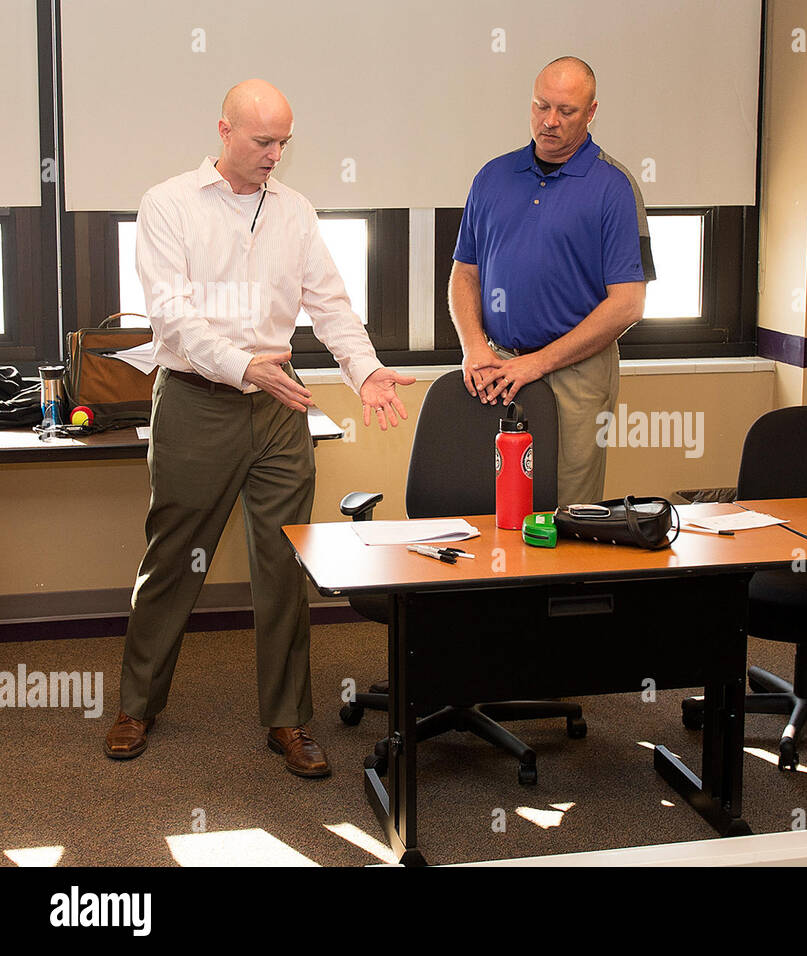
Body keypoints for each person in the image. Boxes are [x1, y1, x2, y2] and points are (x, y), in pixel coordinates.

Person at [103, 79, 415, 778]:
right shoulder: (168, 206)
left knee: (283, 565)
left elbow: (330, 304)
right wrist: (245, 366)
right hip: (195, 402)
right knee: (173, 559)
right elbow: (174, 318)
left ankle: (288, 719)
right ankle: (137, 703)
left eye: (284, 143)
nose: (276, 155)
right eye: (263, 141)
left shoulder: (295, 211)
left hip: (280, 409)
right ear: (224, 131)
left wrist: (364, 371)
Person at [449, 56, 655, 507]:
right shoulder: (492, 177)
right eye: (542, 105)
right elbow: (465, 273)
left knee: (567, 510)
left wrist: (539, 363)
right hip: (497, 366)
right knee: (493, 501)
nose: (550, 121)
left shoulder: (614, 187)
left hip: (576, 375)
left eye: (567, 111)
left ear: (592, 112)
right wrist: (473, 347)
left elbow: (628, 305)